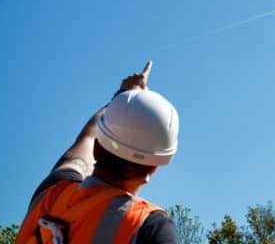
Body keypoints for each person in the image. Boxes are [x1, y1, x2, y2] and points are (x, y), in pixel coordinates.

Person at [17, 61, 180, 243]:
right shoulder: (148, 227)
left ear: (97, 147)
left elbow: (85, 140)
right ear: (153, 168)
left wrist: (122, 97)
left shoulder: (51, 196)